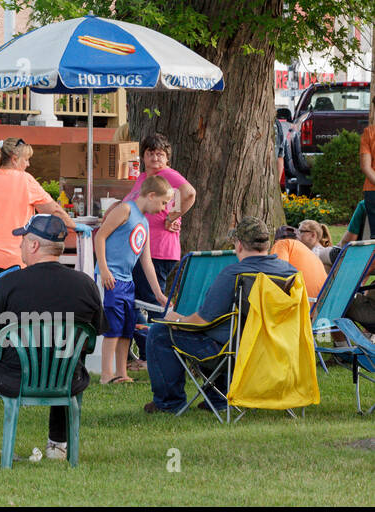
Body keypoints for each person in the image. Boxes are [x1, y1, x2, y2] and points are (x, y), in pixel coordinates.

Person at [0, 213, 104, 460]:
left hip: (12, 378)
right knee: (61, 359)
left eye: (22, 240)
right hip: (66, 378)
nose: (19, 245)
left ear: (34, 245)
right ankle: (58, 444)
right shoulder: (86, 284)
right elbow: (91, 339)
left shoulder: (9, 284)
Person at [144, 217, 298, 415]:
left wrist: (176, 319)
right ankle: (217, 397)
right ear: (267, 244)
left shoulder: (234, 274)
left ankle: (169, 403)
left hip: (232, 351)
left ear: (239, 245)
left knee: (159, 333)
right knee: (220, 332)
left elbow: (202, 321)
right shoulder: (289, 272)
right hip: (274, 349)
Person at [122, 133, 197, 359]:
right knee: (132, 300)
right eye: (150, 153)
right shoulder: (144, 177)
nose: (155, 158)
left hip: (158, 250)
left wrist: (174, 215)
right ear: (143, 156)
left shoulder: (167, 175)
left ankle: (157, 353)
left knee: (150, 303)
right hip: (139, 249)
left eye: (160, 154)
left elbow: (190, 193)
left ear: (167, 158)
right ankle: (149, 351)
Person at [94, 175, 172, 384]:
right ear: (151, 195)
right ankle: (106, 374)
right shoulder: (125, 210)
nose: (164, 208)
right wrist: (103, 269)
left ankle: (121, 373)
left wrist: (158, 294)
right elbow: (100, 236)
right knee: (113, 327)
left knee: (127, 328)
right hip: (110, 279)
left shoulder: (144, 223)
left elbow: (146, 261)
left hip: (128, 281)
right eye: (163, 202)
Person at [0, 138, 72, 277]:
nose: (28, 164)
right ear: (14, 159)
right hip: (13, 259)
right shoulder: (25, 179)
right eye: (26, 159)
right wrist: (75, 226)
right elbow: (54, 211)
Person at [271, 225, 328, 300]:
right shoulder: (311, 254)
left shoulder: (282, 244)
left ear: (275, 241)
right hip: (319, 305)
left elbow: (278, 276)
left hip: (301, 306)